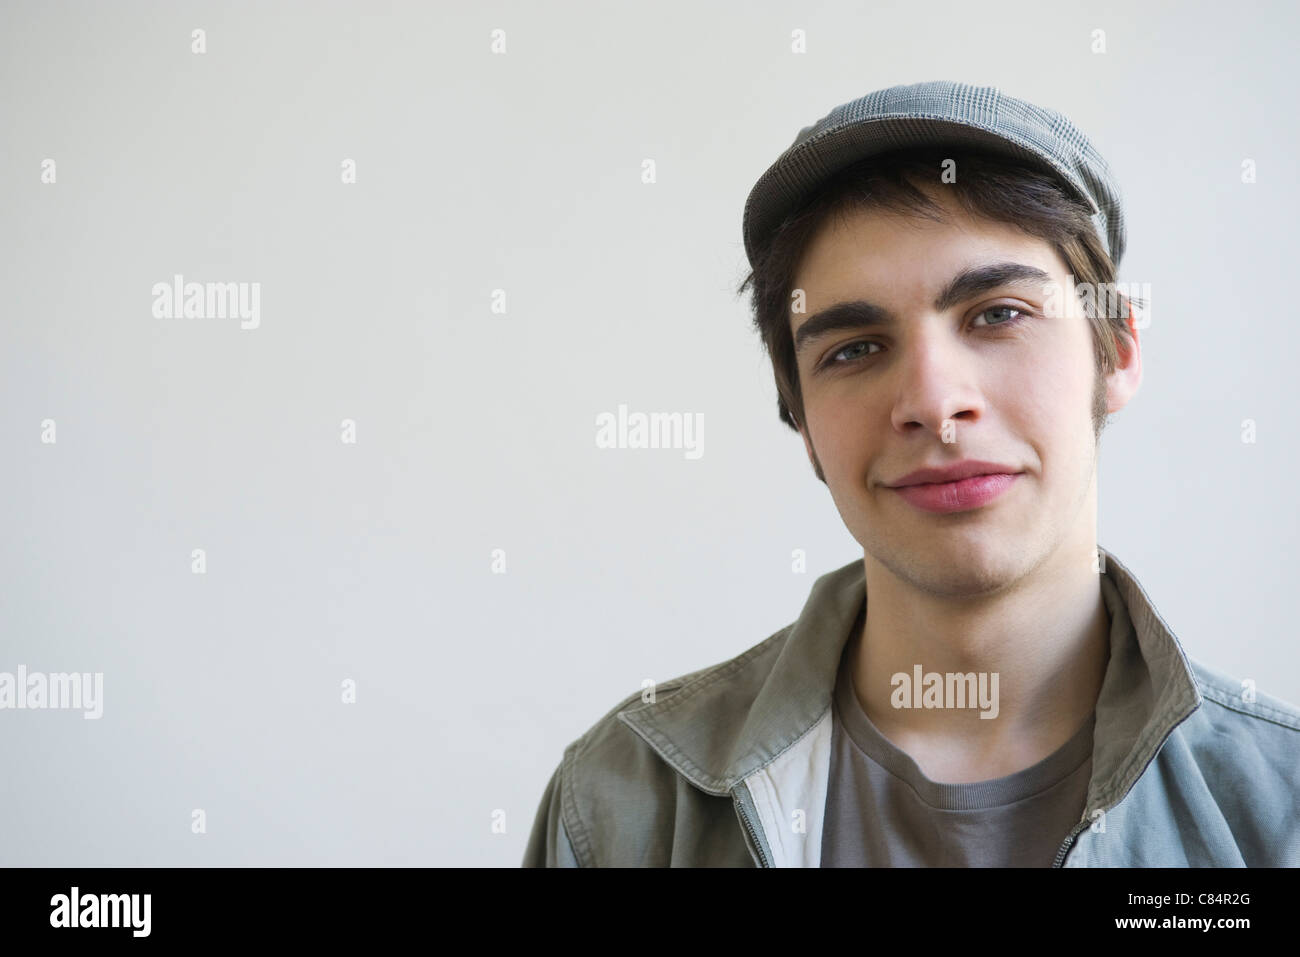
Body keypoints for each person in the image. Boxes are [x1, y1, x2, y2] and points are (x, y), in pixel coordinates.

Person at [523, 80, 1300, 867]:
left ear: (1118, 350)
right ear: (802, 424)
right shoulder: (623, 804)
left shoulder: (1280, 807)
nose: (933, 403)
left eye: (999, 313)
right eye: (854, 348)